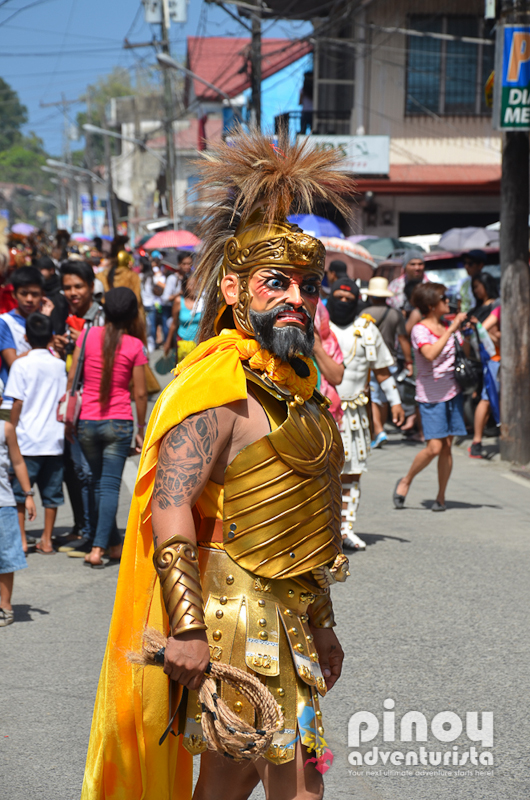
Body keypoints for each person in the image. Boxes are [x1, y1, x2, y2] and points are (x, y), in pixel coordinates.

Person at [81, 129, 352, 800]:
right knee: (301, 788)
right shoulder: (215, 386)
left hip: (290, 616)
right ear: (233, 288)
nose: (297, 296)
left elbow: (304, 523)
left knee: (226, 784)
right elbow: (168, 502)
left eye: (308, 285)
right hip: (231, 619)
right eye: (277, 282)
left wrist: (322, 623)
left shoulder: (298, 387)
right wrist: (188, 628)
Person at [69, 287, 148, 568]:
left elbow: (72, 377)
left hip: (87, 422)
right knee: (109, 486)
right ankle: (98, 548)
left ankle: (114, 544)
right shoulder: (135, 346)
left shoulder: (88, 336)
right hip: (118, 424)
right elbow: (140, 394)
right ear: (131, 314)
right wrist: (141, 426)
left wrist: (69, 416)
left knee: (99, 482)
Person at [328, 277, 404, 551]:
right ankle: (320, 531)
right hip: (320, 411)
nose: (343, 302)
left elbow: (383, 371)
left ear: (357, 301)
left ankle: (346, 529)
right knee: (320, 474)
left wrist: (395, 402)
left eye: (349, 299)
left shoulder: (367, 330)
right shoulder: (316, 326)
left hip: (355, 413)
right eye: (339, 297)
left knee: (352, 474)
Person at [393, 283, 468, 511]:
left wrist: (465, 330)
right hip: (430, 396)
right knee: (434, 447)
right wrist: (453, 327)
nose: (448, 301)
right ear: (431, 305)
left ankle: (441, 497)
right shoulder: (420, 330)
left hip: (453, 393)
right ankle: (406, 480)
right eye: (443, 298)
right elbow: (431, 354)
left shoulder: (448, 325)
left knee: (447, 446)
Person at [6, 313, 66, 554]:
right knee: (52, 495)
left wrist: (10, 427)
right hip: (54, 439)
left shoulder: (20, 364)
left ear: (26, 337)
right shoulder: (59, 364)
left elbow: (16, 402)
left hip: (26, 440)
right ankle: (47, 539)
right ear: (52, 338)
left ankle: (21, 539)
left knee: (21, 493)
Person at [363, 276, 412, 448]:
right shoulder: (395, 314)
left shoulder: (365, 314)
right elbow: (403, 339)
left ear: (371, 295)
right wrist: (408, 361)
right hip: (390, 360)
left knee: (374, 397)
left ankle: (378, 431)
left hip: (370, 361)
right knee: (383, 397)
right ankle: (380, 429)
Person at [0, 417, 36, 626]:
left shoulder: (5, 428)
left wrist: (28, 494)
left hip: (3, 504)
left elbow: (18, 461)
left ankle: (5, 606)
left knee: (5, 558)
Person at [0, 266, 48, 422]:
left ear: (42, 295)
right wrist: (43, 344)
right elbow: (13, 362)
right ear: (14, 294)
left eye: (35, 294)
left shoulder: (46, 321)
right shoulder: (5, 322)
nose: (29, 299)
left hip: (40, 401)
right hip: (12, 400)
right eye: (24, 293)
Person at [163, 276, 202, 362]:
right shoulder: (179, 301)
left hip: (199, 343)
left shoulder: (202, 301)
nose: (194, 287)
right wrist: (168, 343)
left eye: (196, 284)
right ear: (185, 286)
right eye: (191, 284)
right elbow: (174, 323)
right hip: (182, 342)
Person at [36, 255, 69, 335]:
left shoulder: (61, 289)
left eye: (42, 269)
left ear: (51, 270)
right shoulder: (38, 288)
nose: (39, 272)